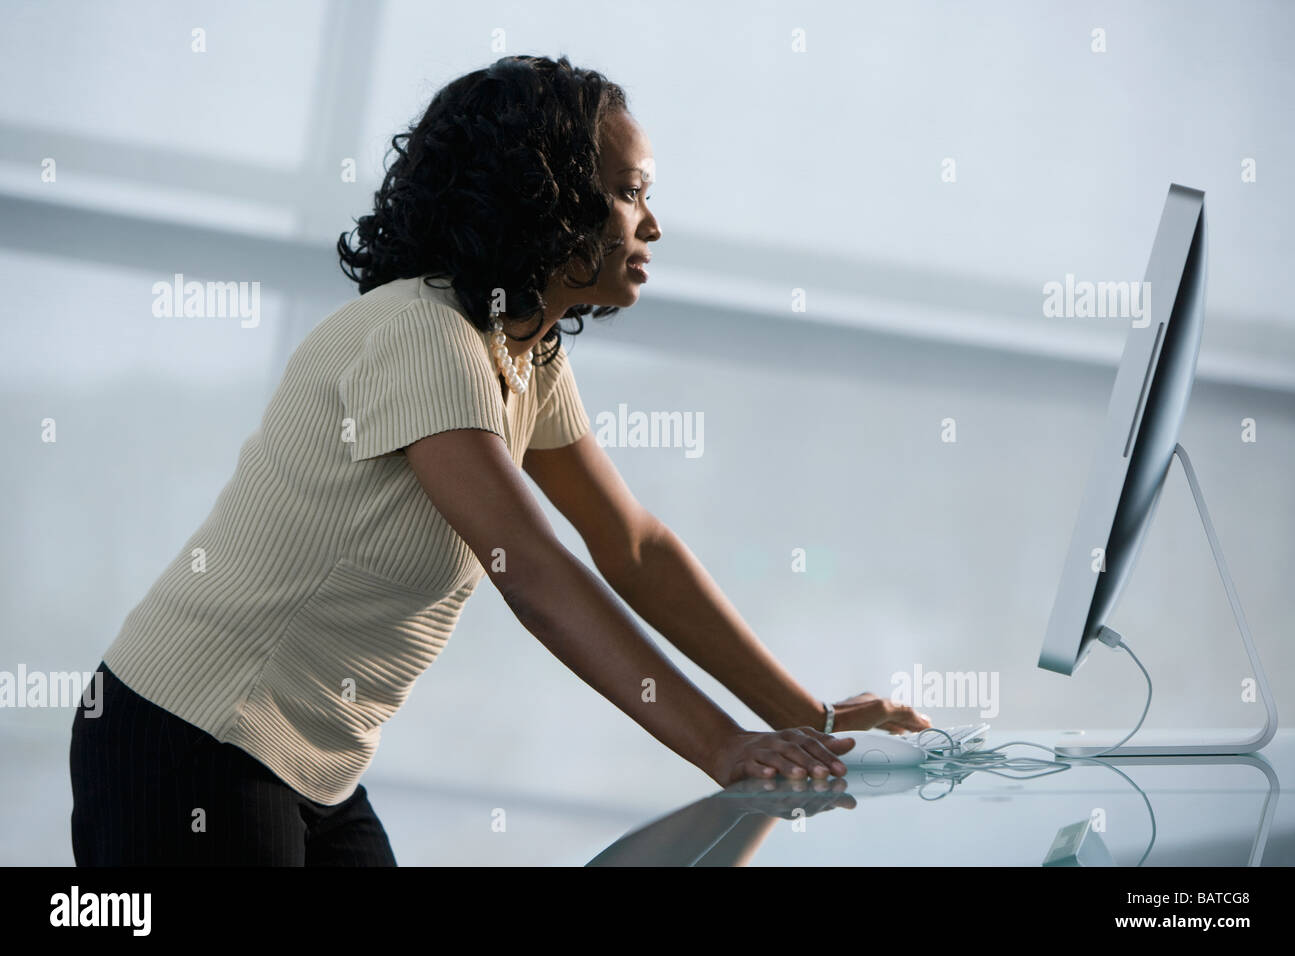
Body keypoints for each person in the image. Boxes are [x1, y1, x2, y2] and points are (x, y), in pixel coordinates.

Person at [68, 54, 928, 867]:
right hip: (190, 736)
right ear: (547, 200)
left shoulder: (523, 354)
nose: (654, 224)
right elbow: (536, 574)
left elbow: (633, 549)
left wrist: (805, 719)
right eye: (629, 194)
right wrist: (722, 746)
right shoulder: (423, 333)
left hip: (308, 764)